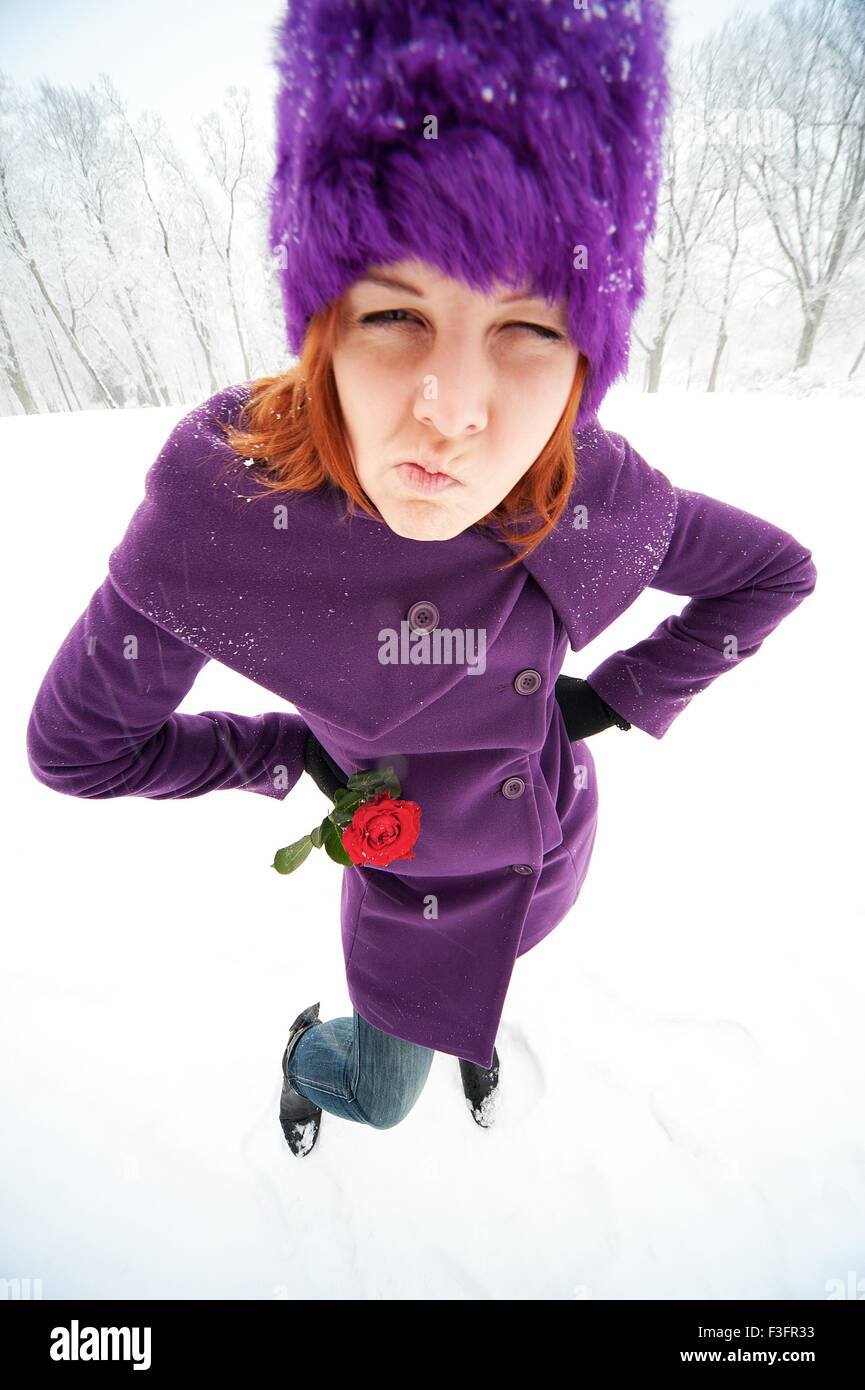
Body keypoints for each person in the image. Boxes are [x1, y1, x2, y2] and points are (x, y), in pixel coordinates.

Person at [26, 0, 817, 1159]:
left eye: (528, 329)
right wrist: (291, 751)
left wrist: (604, 703)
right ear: (323, 330)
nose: (451, 414)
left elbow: (770, 576)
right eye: (396, 312)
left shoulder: (570, 490)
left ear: (582, 363)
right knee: (386, 1094)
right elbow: (81, 750)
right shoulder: (235, 527)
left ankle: (476, 1024)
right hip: (407, 898)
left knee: (495, 983)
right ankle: (312, 1060)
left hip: (549, 850)